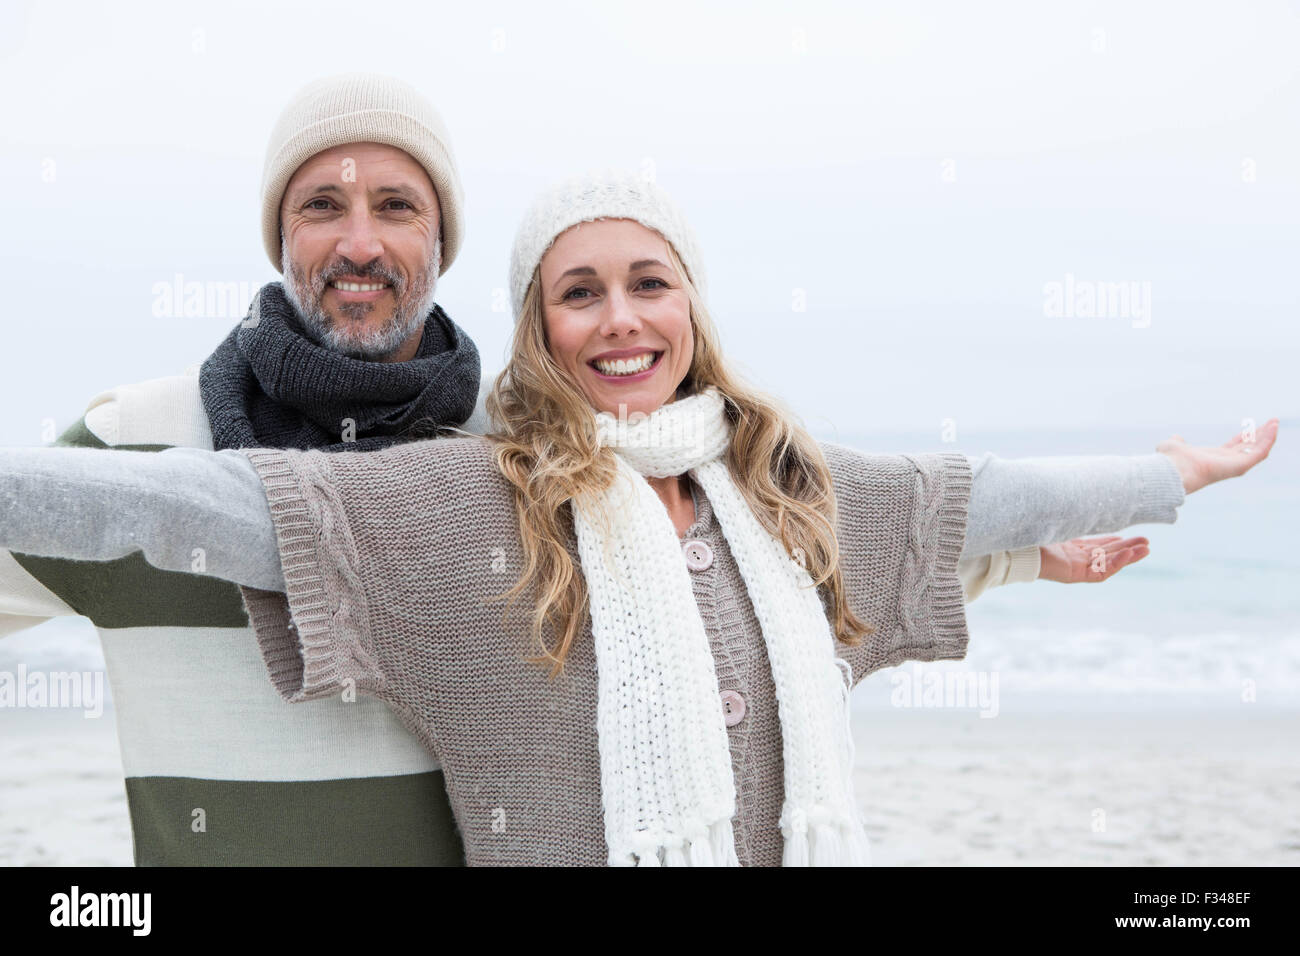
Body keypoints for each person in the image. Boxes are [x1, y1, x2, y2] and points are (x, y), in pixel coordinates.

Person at [0, 170, 1276, 865]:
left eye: (648, 283)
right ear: (538, 329)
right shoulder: (469, 494)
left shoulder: (788, 482)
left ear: (690, 307)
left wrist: (1166, 473)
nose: (619, 319)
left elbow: (966, 501)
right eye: (579, 292)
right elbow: (198, 506)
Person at [0, 73, 483, 865]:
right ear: (281, 237)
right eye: (322, 206)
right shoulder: (136, 443)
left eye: (396, 206)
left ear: (440, 240)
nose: (359, 244)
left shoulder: (518, 453)